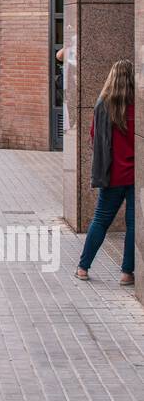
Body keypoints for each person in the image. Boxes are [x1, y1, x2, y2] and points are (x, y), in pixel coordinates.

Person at [76, 60, 135, 284]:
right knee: (134, 224)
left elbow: (94, 138)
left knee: (100, 220)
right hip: (136, 175)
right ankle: (126, 273)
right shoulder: (137, 105)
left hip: (112, 175)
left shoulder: (103, 105)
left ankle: (83, 267)